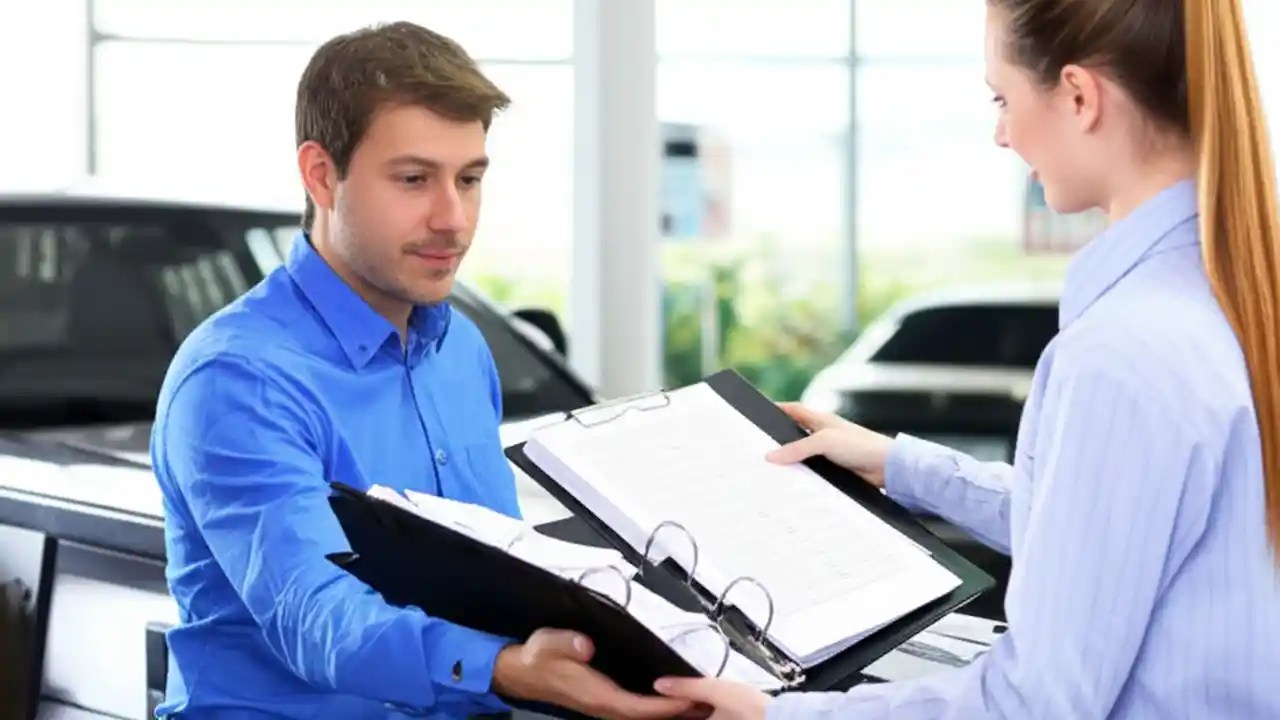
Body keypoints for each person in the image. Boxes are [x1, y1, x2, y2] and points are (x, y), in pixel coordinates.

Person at [654, 0, 1280, 717]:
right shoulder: (1234, 297)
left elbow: (1036, 703)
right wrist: (901, 467)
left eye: (1002, 97)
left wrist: (777, 714)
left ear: (1079, 96)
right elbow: (1113, 541)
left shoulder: (1124, 350)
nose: (1001, 133)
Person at [150, 22, 693, 720]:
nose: (453, 219)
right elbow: (317, 618)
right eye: (414, 179)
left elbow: (506, 572)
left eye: (469, 179)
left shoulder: (460, 350)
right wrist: (505, 670)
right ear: (321, 174)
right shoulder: (237, 379)